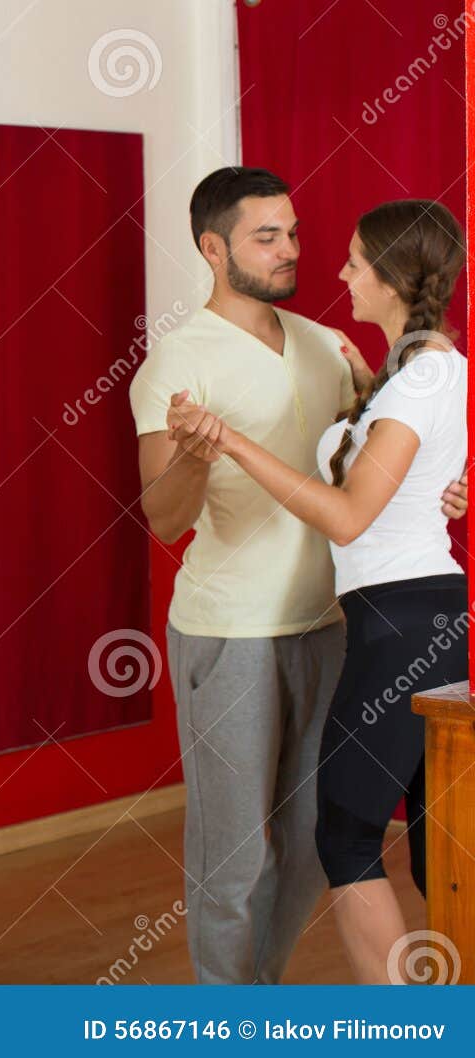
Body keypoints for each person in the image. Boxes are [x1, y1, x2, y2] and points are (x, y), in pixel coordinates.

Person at [128, 168, 467, 983]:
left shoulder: (331, 345)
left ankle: (261, 996)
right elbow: (163, 516)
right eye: (265, 236)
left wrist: (441, 491)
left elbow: (373, 470)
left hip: (335, 626)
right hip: (229, 628)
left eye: (293, 231)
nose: (292, 251)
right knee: (236, 853)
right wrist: (202, 459)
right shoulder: (174, 358)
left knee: (323, 844)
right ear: (213, 248)